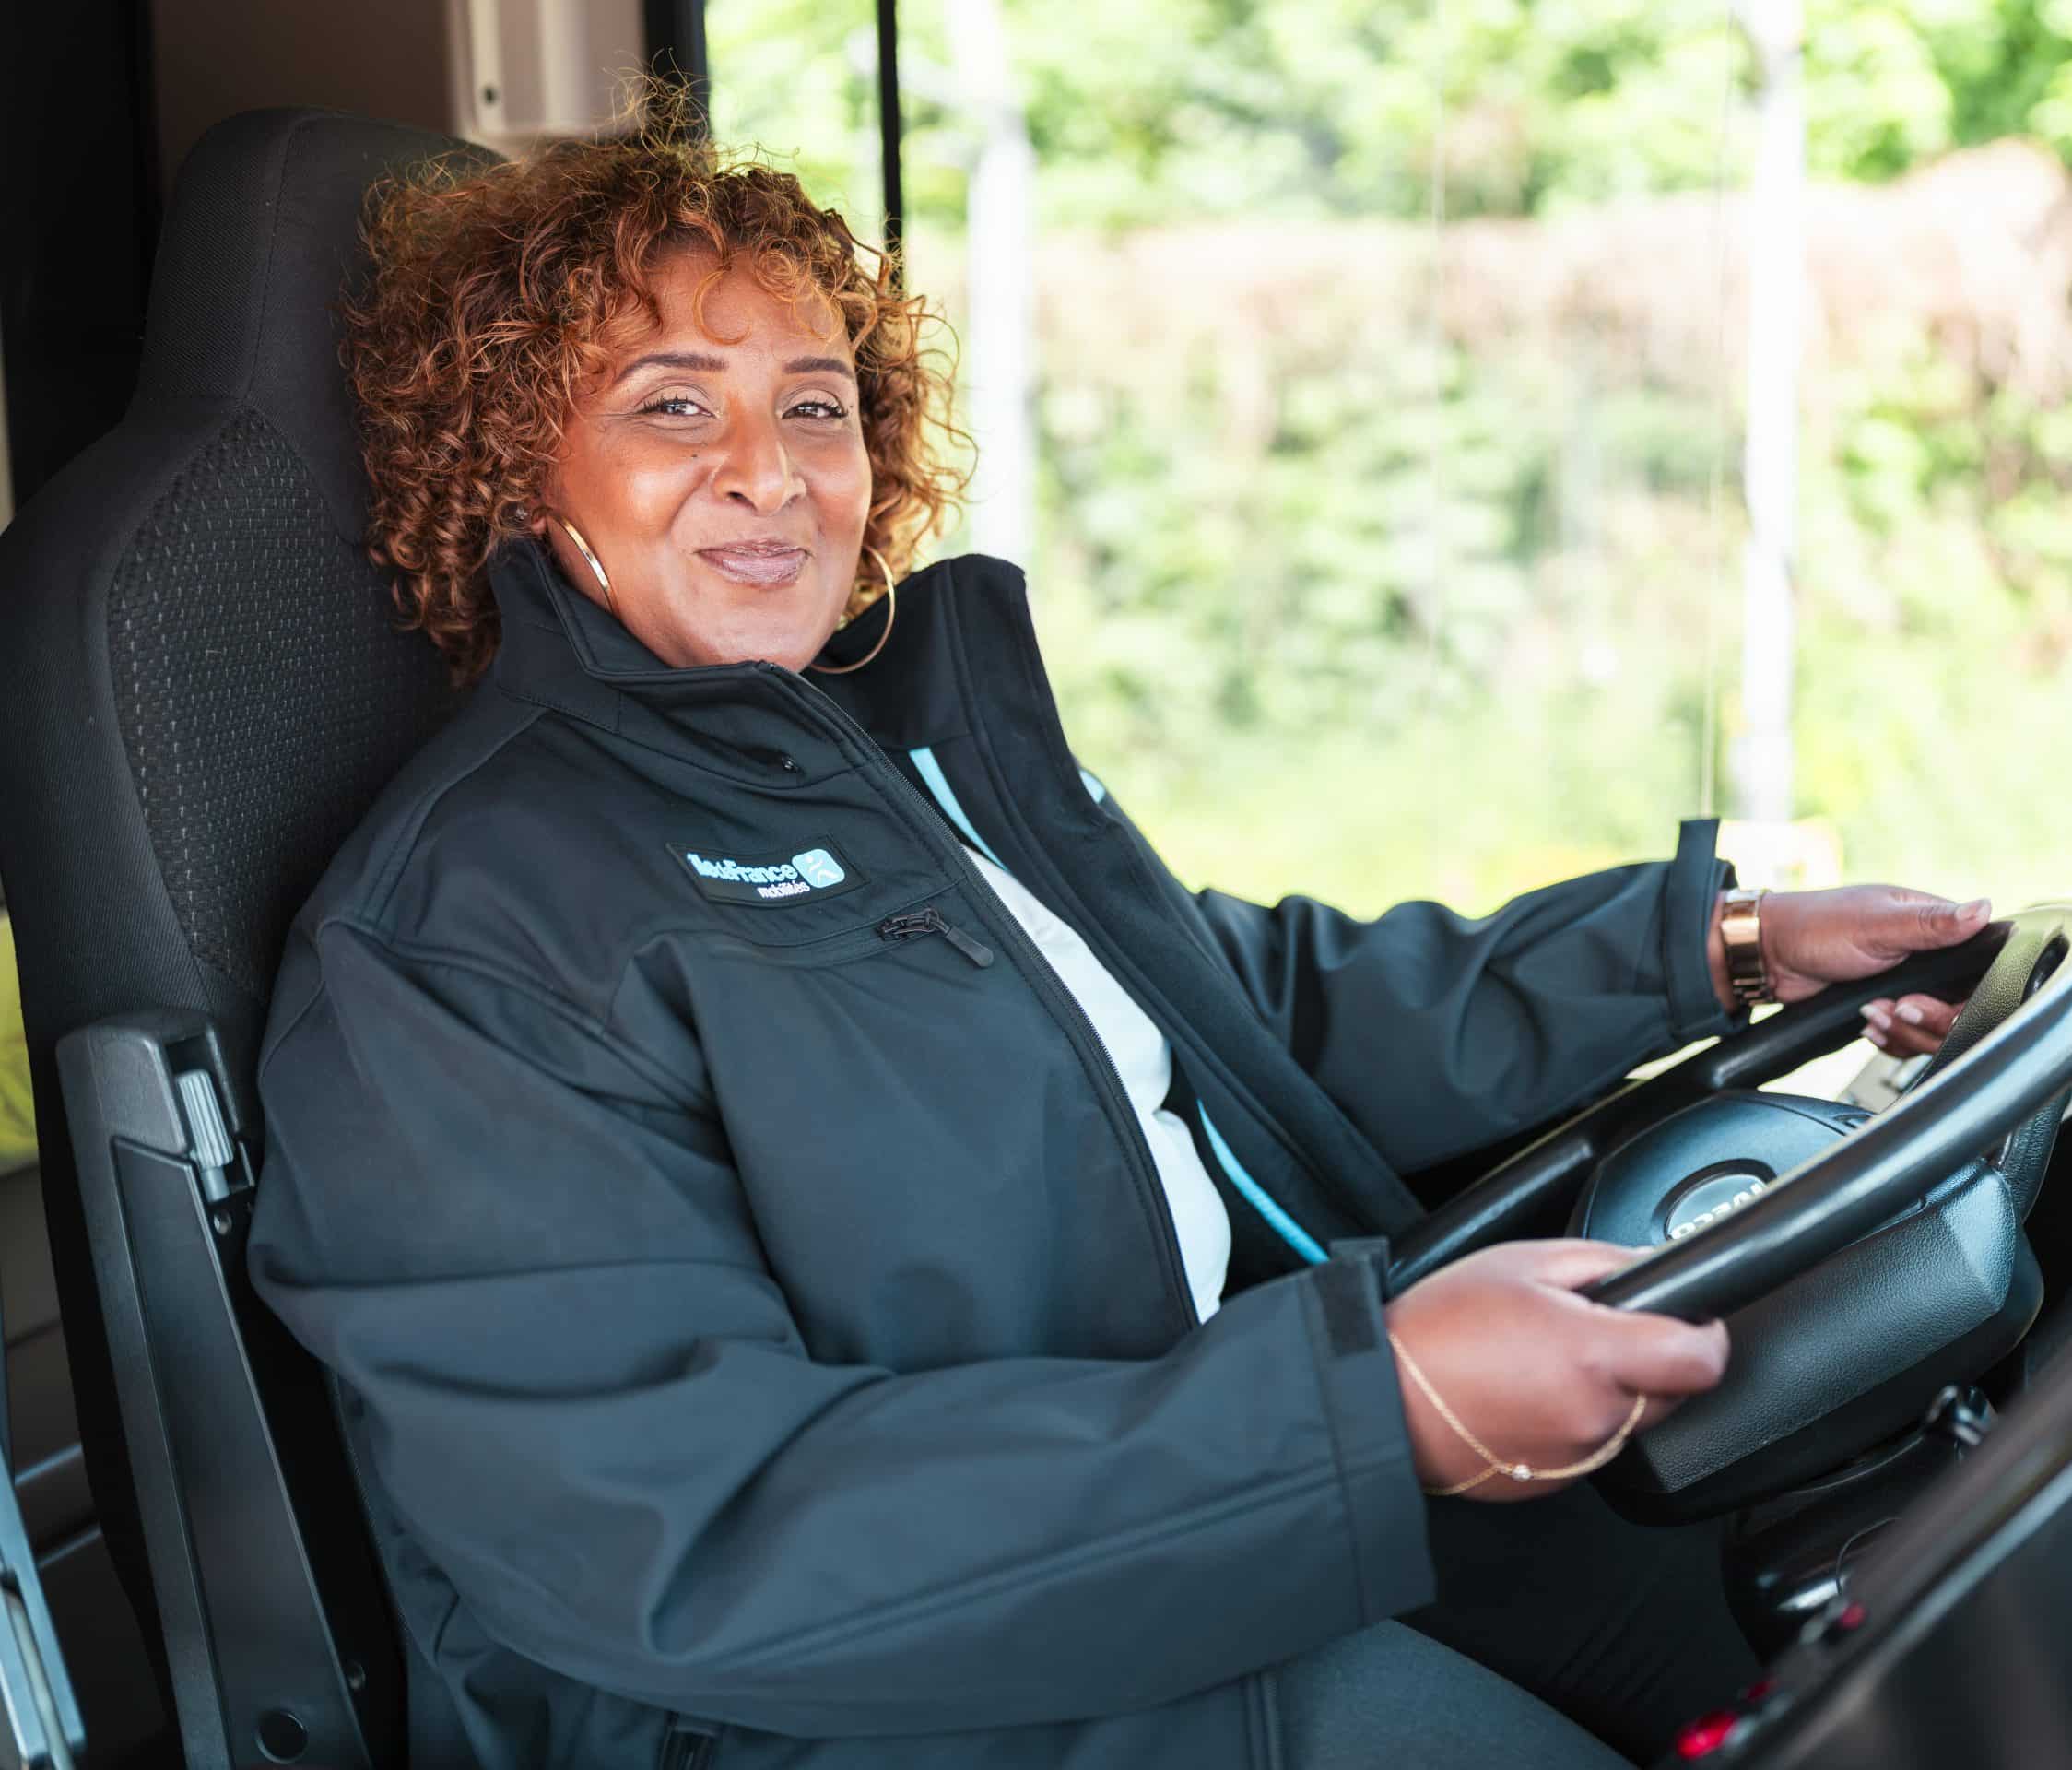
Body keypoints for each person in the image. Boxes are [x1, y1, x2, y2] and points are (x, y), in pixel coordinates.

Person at [249, 105, 1981, 1770]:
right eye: (672, 409)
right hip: (862, 1703)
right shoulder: (455, 939)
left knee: (1835, 1623)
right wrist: (1359, 1417)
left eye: (817, 405)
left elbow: (1237, 1017)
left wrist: (1717, 950)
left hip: (1181, 1512)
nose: (768, 475)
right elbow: (687, 1541)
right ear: (506, 456)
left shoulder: (884, 762)